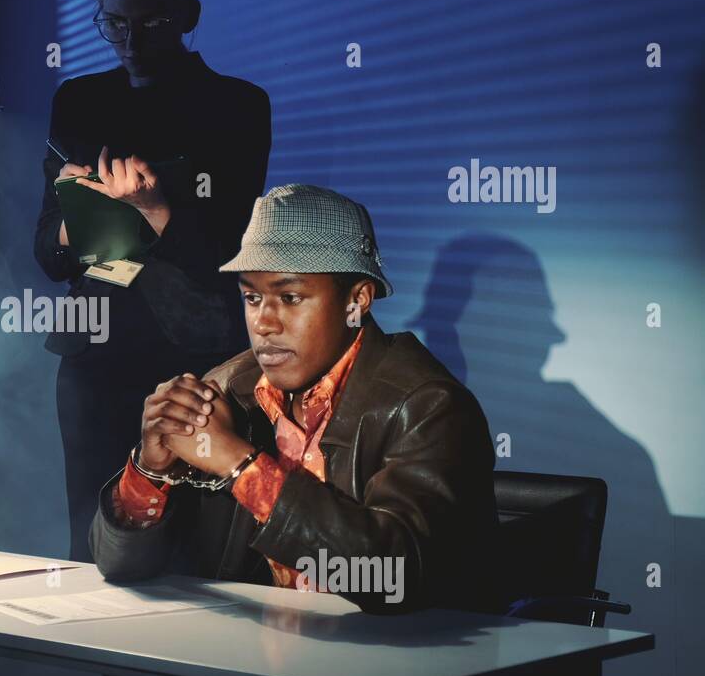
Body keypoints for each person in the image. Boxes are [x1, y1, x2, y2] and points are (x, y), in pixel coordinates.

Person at [89, 184, 503, 614]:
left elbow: (393, 580)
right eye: (252, 297)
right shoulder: (227, 388)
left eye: (290, 297)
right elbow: (119, 566)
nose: (264, 322)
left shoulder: (431, 407)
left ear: (357, 301)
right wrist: (148, 470)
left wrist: (241, 465)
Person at [35, 0, 272, 562]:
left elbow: (230, 252)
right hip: (93, 360)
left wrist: (156, 209)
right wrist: (73, 213)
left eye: (152, 24)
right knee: (97, 542)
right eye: (114, 24)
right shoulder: (79, 101)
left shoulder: (238, 105)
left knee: (194, 547)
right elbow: (49, 253)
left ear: (189, 15)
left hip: (196, 362)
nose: (131, 41)